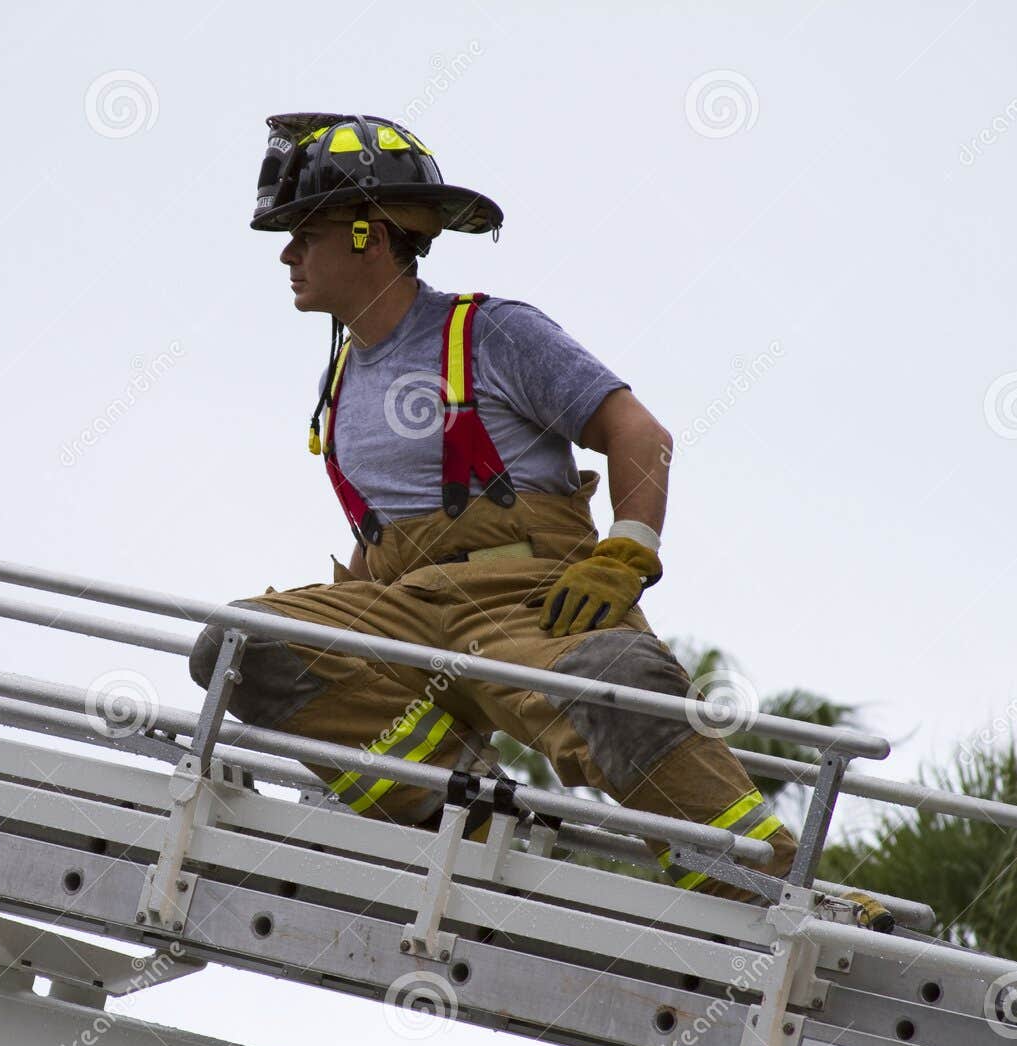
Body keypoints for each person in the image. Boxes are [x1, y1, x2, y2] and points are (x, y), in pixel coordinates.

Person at [189, 112, 796, 901]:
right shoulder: (340, 385)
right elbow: (386, 540)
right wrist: (339, 636)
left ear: (371, 233)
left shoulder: (491, 332)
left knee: (620, 685)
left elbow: (637, 431)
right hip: (403, 609)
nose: (287, 252)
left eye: (303, 229)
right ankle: (462, 811)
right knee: (244, 644)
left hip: (525, 606)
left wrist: (629, 549)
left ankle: (766, 885)